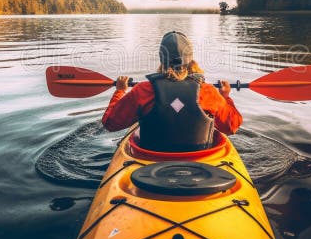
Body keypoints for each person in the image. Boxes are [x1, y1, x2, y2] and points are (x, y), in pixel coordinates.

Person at [101, 31, 243, 152]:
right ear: (190, 59)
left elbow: (110, 123)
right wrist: (225, 97)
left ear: (162, 60)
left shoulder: (142, 90)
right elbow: (232, 127)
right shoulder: (208, 92)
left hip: (151, 161)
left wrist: (120, 91)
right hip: (199, 161)